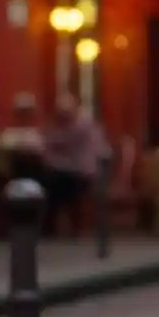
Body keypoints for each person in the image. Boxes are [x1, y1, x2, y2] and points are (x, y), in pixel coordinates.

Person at [42, 93, 102, 236]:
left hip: (83, 171)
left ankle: (67, 226)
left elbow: (83, 151)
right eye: (60, 115)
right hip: (64, 170)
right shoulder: (56, 126)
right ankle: (51, 227)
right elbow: (49, 148)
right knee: (49, 180)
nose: (63, 119)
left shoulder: (84, 126)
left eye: (66, 115)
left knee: (59, 182)